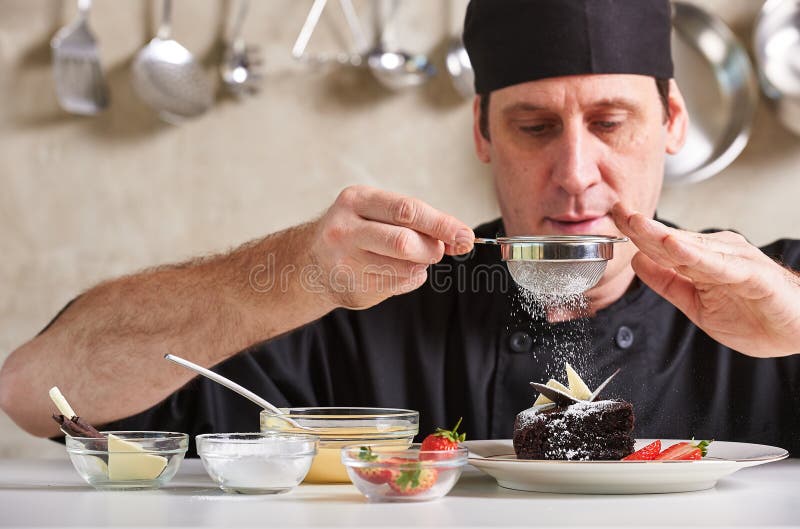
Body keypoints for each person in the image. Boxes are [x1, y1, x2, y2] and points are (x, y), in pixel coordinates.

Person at [2, 0, 799, 455]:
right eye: (533, 127)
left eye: (611, 121)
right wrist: (291, 273)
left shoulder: (771, 303)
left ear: (671, 122)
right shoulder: (364, 307)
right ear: (482, 133)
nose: (576, 173)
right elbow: (34, 391)